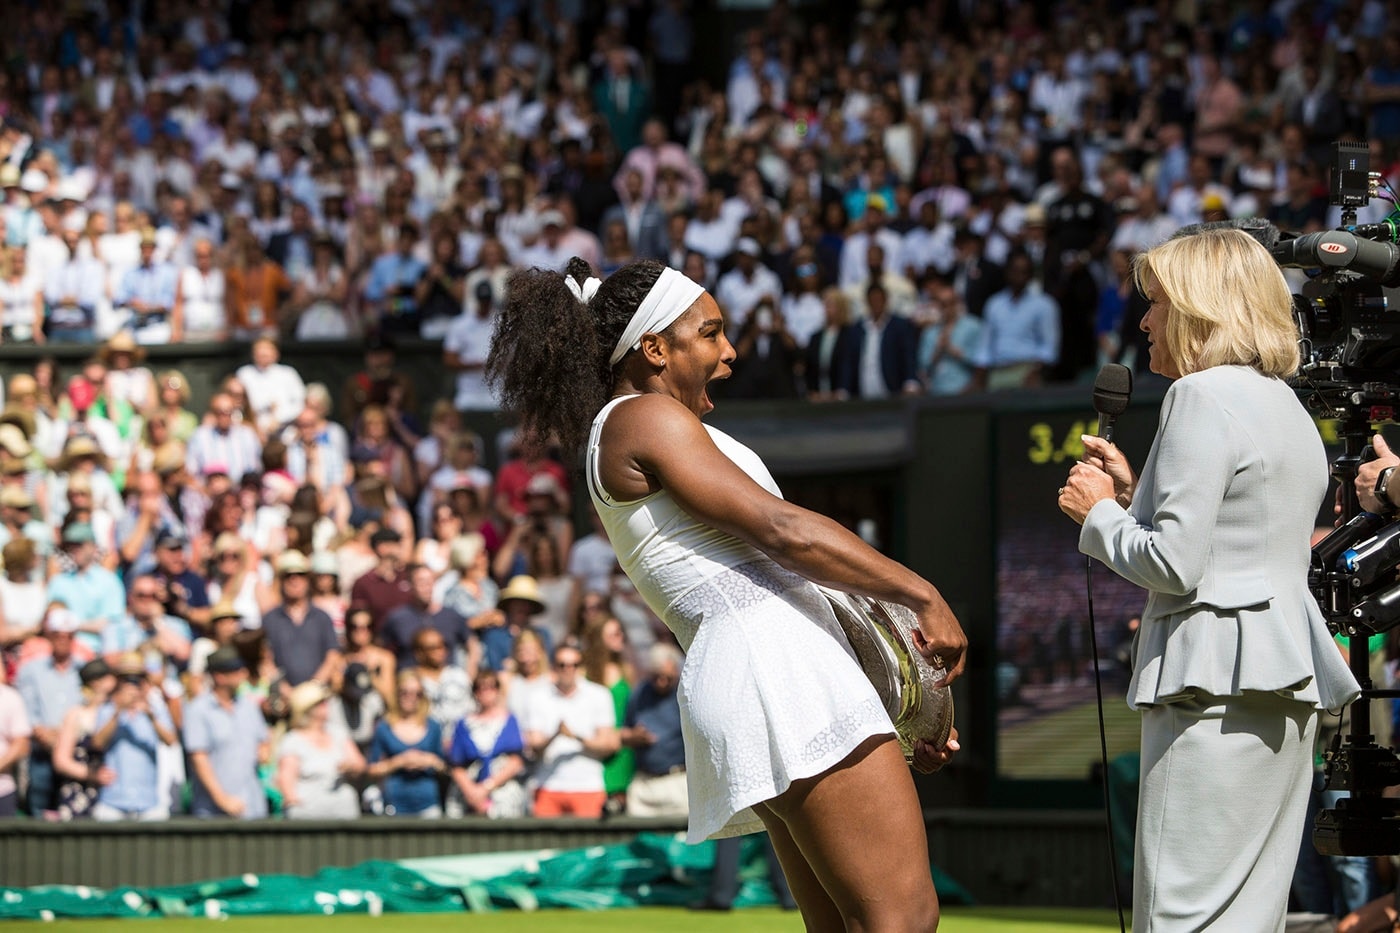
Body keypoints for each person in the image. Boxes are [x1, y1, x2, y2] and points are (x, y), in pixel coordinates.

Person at [486, 257, 963, 929]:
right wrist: (922, 593)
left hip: (762, 672)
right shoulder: (642, 417)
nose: (730, 351)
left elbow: (786, 571)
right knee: (902, 919)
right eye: (710, 333)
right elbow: (784, 532)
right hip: (778, 669)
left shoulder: (640, 424)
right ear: (655, 348)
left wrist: (910, 699)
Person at [1056, 228, 1362, 932]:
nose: (1144, 321)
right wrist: (1136, 498)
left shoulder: (1197, 396)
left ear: (1199, 305)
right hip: (1282, 687)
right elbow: (1231, 540)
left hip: (1211, 691)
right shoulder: (1288, 408)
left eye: (1156, 302)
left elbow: (1176, 565)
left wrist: (1097, 514)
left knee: (1180, 916)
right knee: (1249, 917)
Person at [183, 646, 270, 819]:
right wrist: (222, 799)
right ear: (219, 677)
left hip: (253, 806)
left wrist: (264, 751)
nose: (243, 673)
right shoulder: (198, 710)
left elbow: (263, 743)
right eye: (236, 670)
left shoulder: (248, 706)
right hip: (213, 812)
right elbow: (199, 758)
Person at [275, 680, 365, 820]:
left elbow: (359, 764)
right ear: (308, 709)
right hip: (308, 813)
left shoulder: (338, 733)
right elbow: (286, 778)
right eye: (321, 703)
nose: (326, 706)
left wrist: (350, 766)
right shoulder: (292, 740)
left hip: (342, 810)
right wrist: (292, 802)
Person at [447, 669, 529, 818]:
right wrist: (472, 791)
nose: (486, 692)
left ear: (498, 690)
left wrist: (486, 788)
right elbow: (455, 764)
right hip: (468, 794)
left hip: (502, 793)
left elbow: (516, 761)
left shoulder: (509, 721)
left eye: (491, 687)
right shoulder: (463, 723)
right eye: (480, 688)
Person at [366, 669, 446, 818]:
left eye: (417, 694)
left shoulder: (433, 726)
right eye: (405, 692)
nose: (411, 698)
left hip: (428, 803)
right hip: (395, 803)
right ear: (397, 693)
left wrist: (428, 760)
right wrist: (399, 762)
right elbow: (371, 769)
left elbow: (444, 766)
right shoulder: (384, 727)